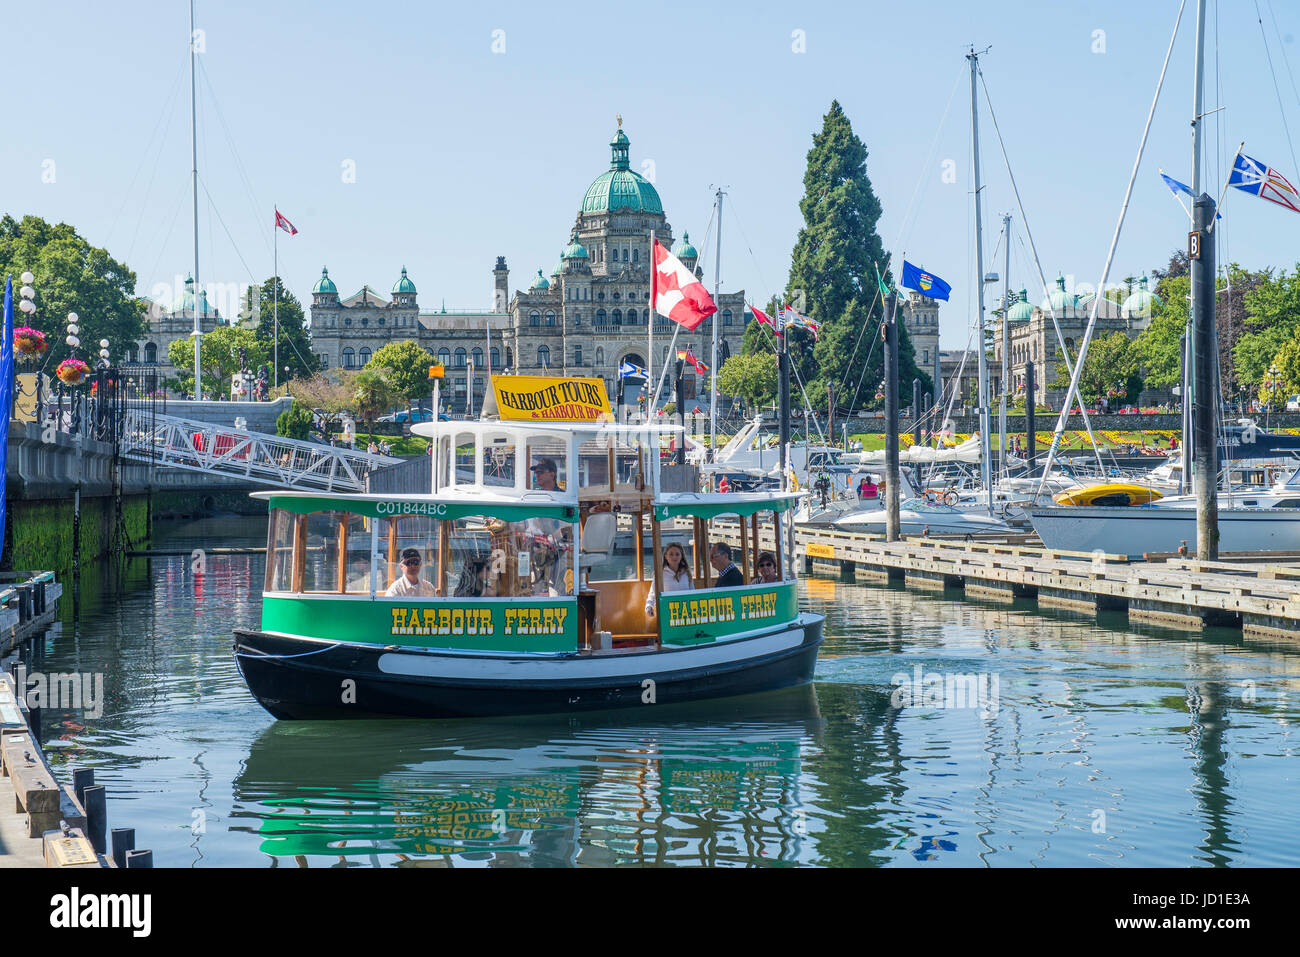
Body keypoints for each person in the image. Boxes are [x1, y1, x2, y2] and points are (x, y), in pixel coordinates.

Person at [645, 542, 693, 615]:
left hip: (686, 613)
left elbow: (692, 593)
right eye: (671, 554)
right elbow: (653, 593)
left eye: (677, 554)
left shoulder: (687, 573)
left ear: (681, 556)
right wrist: (649, 607)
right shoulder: (660, 574)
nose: (674, 557)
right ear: (666, 556)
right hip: (667, 613)